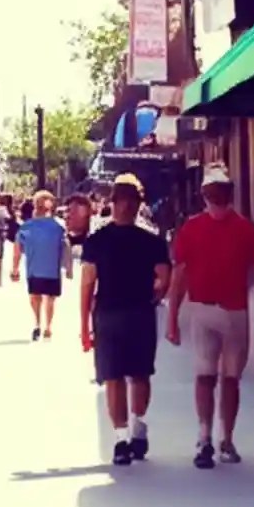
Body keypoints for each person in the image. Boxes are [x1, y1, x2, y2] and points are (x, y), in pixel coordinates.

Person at [166, 163, 254, 469]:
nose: (216, 200)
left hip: (234, 310)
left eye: (220, 194)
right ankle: (206, 437)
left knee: (230, 378)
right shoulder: (194, 229)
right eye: (213, 194)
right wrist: (172, 316)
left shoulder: (246, 230)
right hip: (205, 309)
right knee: (206, 374)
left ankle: (224, 437)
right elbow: (179, 276)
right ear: (204, 195)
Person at [80, 174, 170, 466]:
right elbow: (87, 283)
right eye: (122, 201)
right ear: (114, 203)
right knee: (117, 377)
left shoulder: (148, 241)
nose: (126, 206)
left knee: (134, 374)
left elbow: (164, 276)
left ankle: (135, 427)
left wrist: (156, 295)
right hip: (115, 313)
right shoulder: (103, 241)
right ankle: (123, 436)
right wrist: (84, 324)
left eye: (131, 201)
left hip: (130, 312)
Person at [11, 190, 74, 341]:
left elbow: (17, 249)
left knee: (35, 297)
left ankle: (38, 324)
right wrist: (68, 268)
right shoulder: (58, 227)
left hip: (34, 270)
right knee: (50, 298)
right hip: (52, 270)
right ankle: (47, 326)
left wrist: (15, 269)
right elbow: (66, 248)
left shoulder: (27, 227)